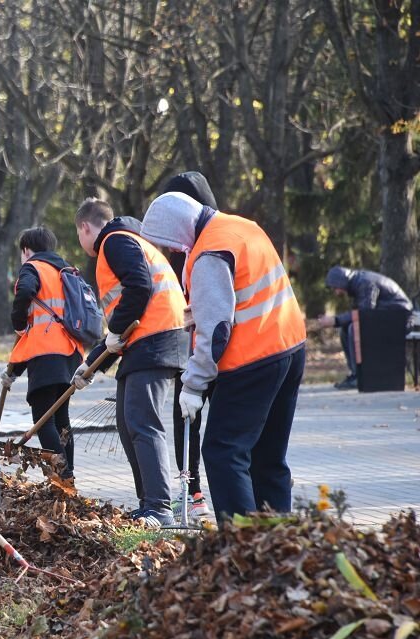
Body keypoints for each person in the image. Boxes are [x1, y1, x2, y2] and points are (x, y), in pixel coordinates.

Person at [141, 192, 306, 521]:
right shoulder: (241, 228)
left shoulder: (209, 253)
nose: (173, 250)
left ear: (179, 228)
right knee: (268, 457)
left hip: (251, 361)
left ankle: (241, 548)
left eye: (170, 241)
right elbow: (243, 295)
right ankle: (279, 545)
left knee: (223, 451)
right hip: (289, 348)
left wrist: (193, 384)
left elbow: (217, 330)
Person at [73, 199, 188, 528]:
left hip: (157, 337)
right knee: (128, 421)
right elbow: (125, 318)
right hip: (148, 339)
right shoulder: (131, 240)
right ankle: (147, 503)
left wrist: (118, 331)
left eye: (78, 234)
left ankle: (159, 507)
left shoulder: (114, 241)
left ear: (85, 227)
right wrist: (92, 364)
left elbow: (139, 287)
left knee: (142, 421)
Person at [0, 227, 83, 479]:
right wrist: (13, 371)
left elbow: (25, 296)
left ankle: (62, 478)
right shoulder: (66, 270)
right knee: (61, 419)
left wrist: (17, 321)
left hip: (47, 354)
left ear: (26, 250)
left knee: (44, 419)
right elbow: (39, 329)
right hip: (71, 353)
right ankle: (69, 475)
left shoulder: (32, 267)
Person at [160, 171, 218, 517]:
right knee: (185, 422)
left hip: (222, 353)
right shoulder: (183, 250)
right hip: (193, 350)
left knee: (219, 435)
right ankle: (191, 493)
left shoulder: (210, 244)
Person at [317, 265, 413, 390]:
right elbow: (361, 314)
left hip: (400, 319)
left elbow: (364, 314)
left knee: (354, 329)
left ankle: (359, 376)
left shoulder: (364, 283)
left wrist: (335, 320)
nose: (336, 292)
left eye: (336, 288)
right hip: (390, 316)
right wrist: (337, 321)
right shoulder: (358, 282)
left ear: (342, 281)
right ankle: (355, 373)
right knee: (346, 328)